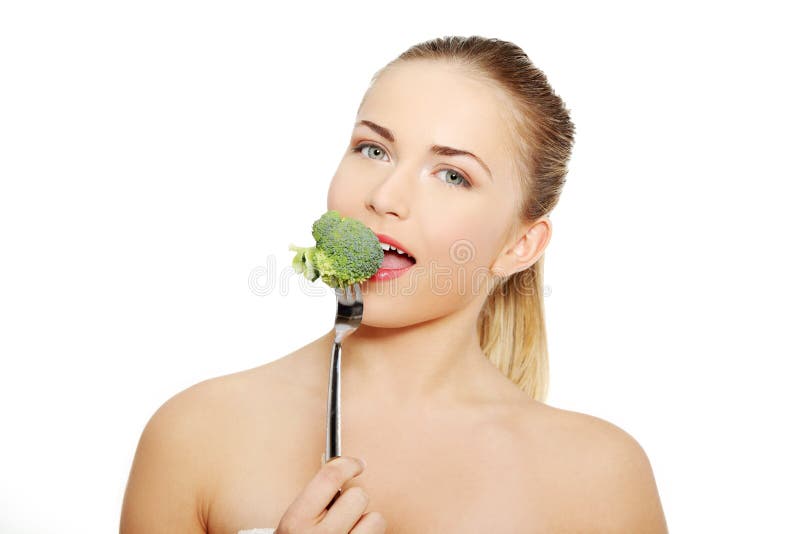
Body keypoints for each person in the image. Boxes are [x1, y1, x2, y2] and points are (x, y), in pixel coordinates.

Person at [120, 35, 668, 533]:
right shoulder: (195, 434)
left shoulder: (599, 476)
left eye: (453, 175)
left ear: (518, 246)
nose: (384, 197)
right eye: (373, 149)